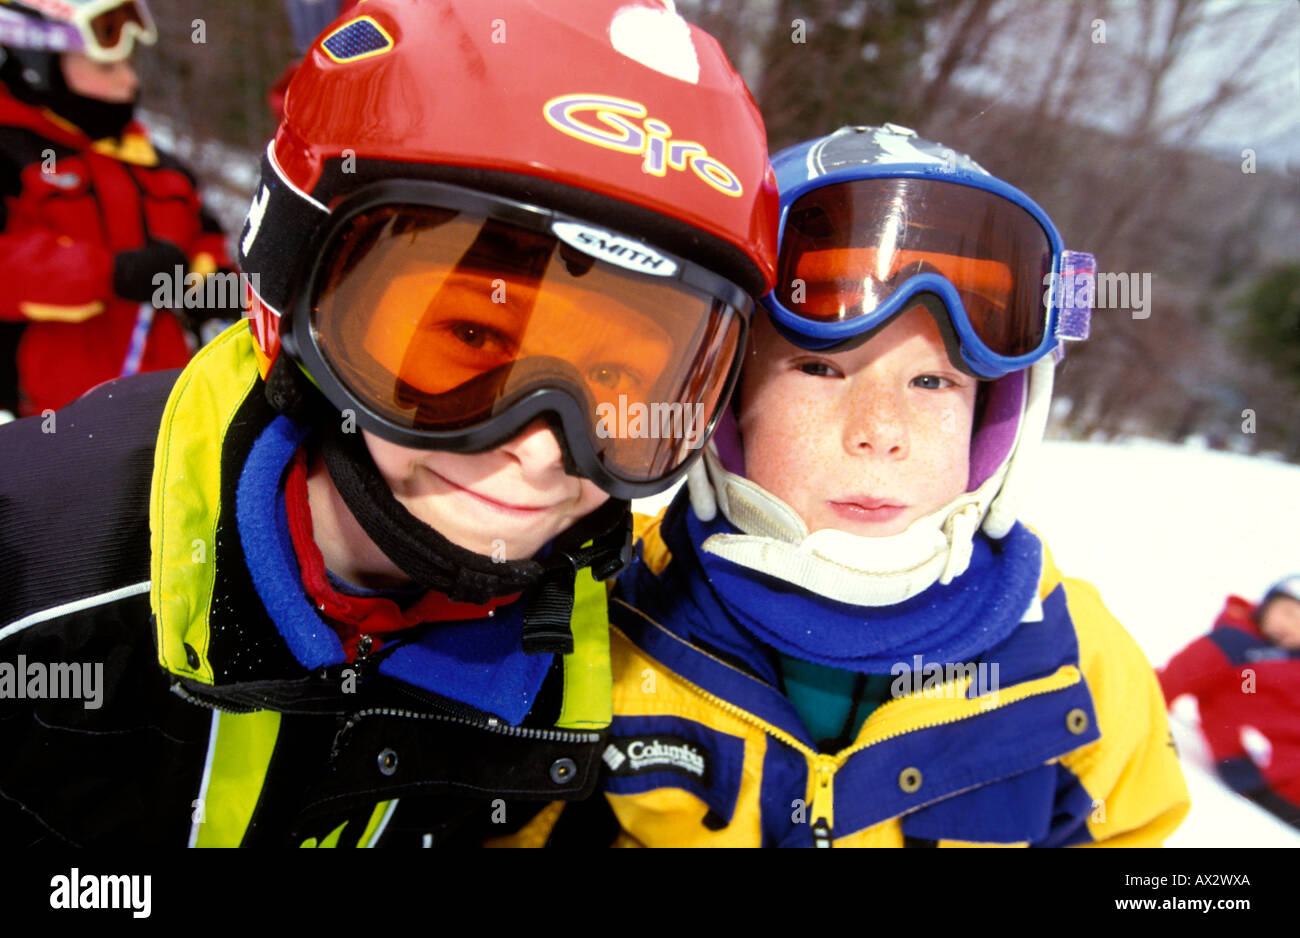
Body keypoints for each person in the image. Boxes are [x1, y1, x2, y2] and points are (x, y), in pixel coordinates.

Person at [0, 0, 776, 846]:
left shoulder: (570, 677)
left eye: (624, 385)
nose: (544, 447)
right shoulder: (40, 570)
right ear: (300, 286)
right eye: (470, 338)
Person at [590, 124, 1189, 846]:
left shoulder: (1076, 665)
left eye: (932, 381)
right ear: (725, 396)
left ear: (993, 421)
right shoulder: (615, 614)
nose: (879, 432)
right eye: (820, 369)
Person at [0, 0, 236, 420]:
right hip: (40, 427)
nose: (129, 82)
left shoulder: (154, 164)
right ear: (39, 64)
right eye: (106, 68)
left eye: (128, 65)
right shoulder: (11, 155)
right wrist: (109, 273)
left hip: (165, 413)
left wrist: (210, 284)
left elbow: (206, 241)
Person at [1159, 576, 1300, 829]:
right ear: (1267, 605)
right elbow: (1168, 682)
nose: (1292, 625)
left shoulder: (1292, 657)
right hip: (1267, 770)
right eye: (1287, 613)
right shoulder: (1231, 645)